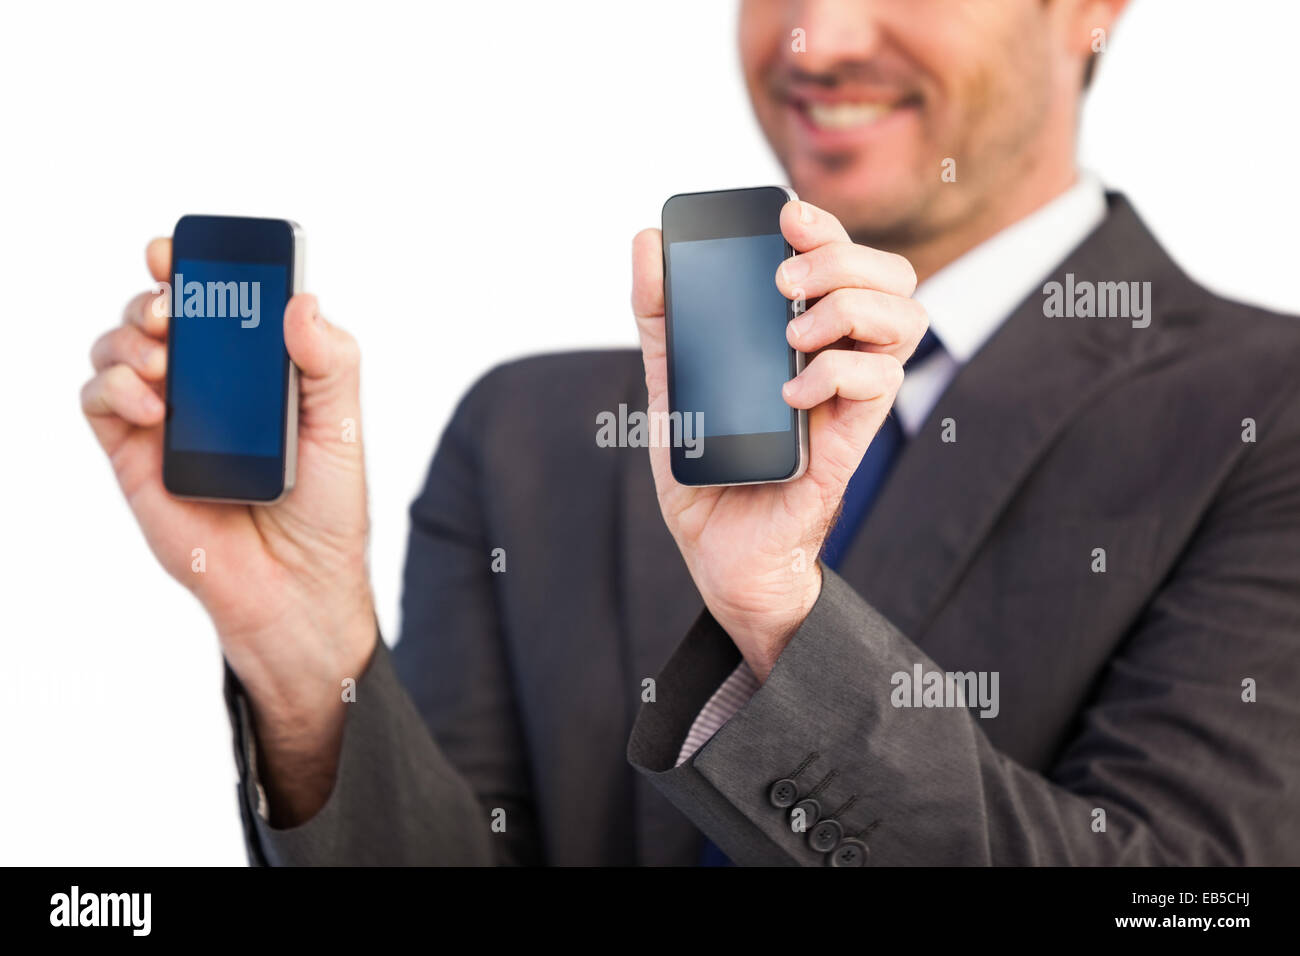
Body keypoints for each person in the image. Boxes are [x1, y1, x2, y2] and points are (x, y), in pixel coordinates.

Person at [81, 0, 1300, 865]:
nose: (817, 36)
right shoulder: (531, 438)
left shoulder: (1264, 409)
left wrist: (783, 619)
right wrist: (306, 650)